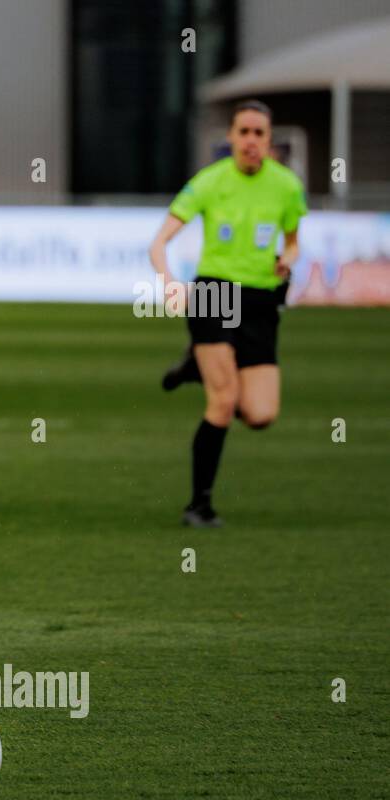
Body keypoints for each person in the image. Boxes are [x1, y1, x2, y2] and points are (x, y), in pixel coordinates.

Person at [148, 99, 306, 527]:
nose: (251, 141)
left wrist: (288, 258)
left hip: (260, 301)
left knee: (260, 414)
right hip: (215, 295)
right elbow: (159, 242)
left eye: (259, 133)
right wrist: (169, 282)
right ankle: (198, 505)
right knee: (224, 401)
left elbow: (292, 240)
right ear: (231, 138)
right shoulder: (209, 182)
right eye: (244, 132)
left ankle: (194, 367)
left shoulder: (287, 186)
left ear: (270, 141)